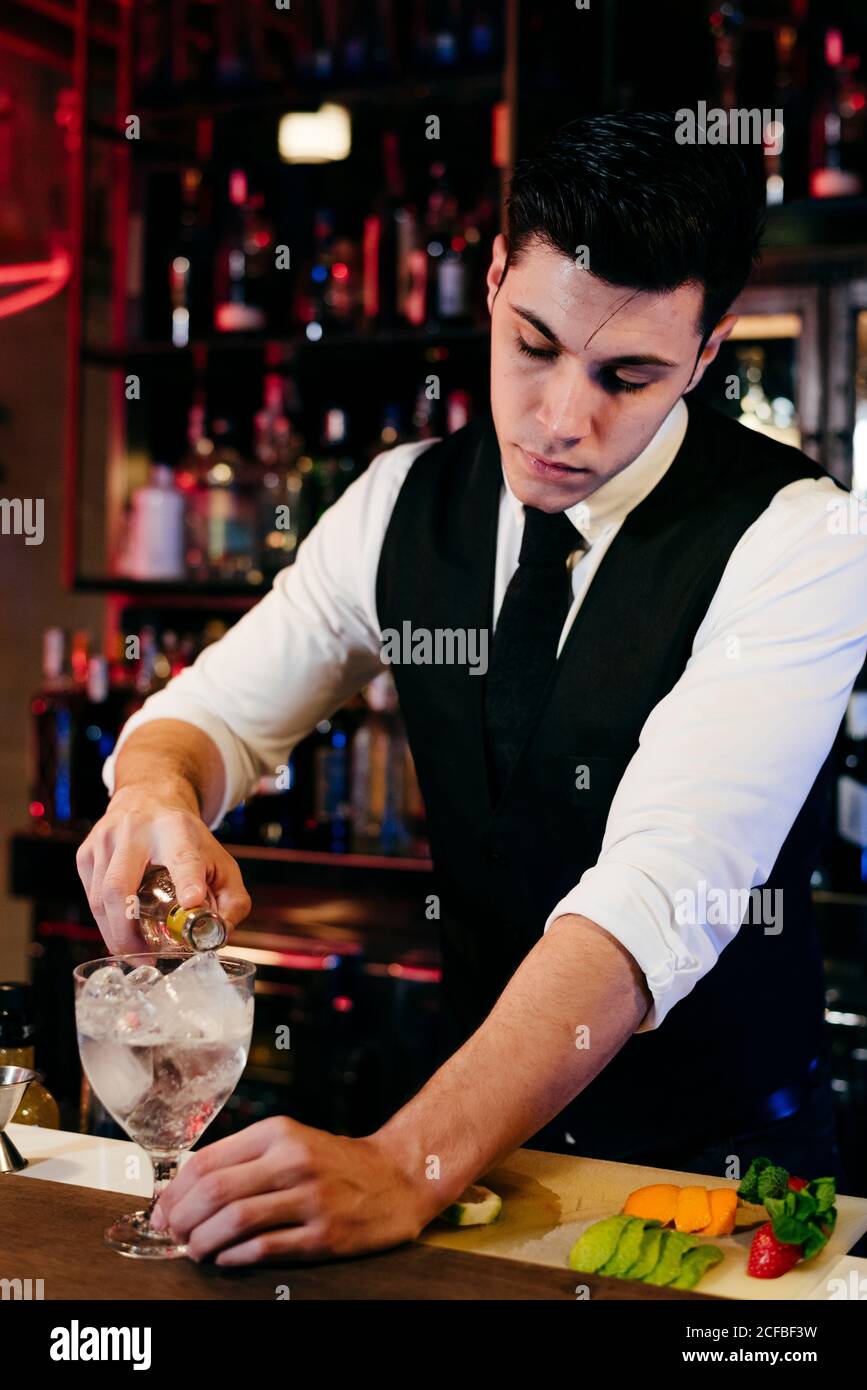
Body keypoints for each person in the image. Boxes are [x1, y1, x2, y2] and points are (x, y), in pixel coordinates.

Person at [78, 112, 867, 1265]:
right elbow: (213, 714)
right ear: (494, 278)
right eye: (533, 343)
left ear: (707, 355)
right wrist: (157, 791)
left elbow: (659, 892)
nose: (561, 419)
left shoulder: (803, 541)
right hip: (486, 1169)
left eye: (629, 375)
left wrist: (406, 1164)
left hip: (718, 1188)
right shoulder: (401, 503)